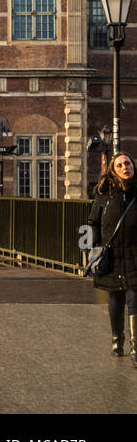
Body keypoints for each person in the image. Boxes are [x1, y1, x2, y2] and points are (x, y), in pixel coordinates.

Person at [87, 152, 137, 364]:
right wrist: (92, 248)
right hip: (112, 255)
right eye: (120, 165)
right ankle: (117, 339)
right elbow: (93, 222)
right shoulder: (104, 194)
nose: (125, 167)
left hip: (135, 254)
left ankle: (136, 347)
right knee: (115, 301)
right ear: (113, 171)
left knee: (135, 300)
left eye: (128, 163)